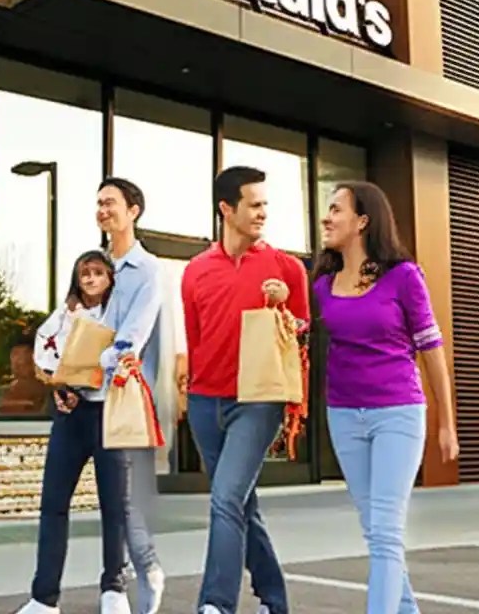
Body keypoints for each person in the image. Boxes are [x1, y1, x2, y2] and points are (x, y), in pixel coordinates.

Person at [312, 181, 458, 614]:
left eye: (336, 210)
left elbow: (432, 348)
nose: (326, 218)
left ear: (362, 221)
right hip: (343, 414)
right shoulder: (323, 285)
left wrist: (447, 423)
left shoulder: (403, 277)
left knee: (386, 532)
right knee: (375, 530)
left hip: (398, 413)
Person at [181, 166, 310, 614]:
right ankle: (274, 601)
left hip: (257, 401)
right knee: (240, 504)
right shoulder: (195, 271)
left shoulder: (287, 268)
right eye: (254, 205)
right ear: (226, 209)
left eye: (265, 204)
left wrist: (283, 306)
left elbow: (301, 336)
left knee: (225, 499)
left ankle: (215, 604)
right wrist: (190, 393)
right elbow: (195, 339)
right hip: (204, 403)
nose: (262, 213)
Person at [17, 248, 131, 614]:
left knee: (114, 506)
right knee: (53, 504)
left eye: (98, 272)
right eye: (85, 273)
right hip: (72, 416)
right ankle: (44, 597)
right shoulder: (64, 316)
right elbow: (48, 357)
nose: (91, 279)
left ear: (110, 278)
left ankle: (114, 589)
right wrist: (59, 389)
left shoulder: (122, 315)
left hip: (109, 414)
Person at [95, 177, 169, 614]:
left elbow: (131, 338)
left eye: (110, 202)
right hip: (88, 394)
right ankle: (117, 584)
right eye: (98, 204)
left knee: (124, 497)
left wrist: (95, 358)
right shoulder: (94, 266)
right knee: (111, 496)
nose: (102, 210)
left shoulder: (149, 270)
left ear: (133, 211)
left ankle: (146, 568)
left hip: (123, 394)